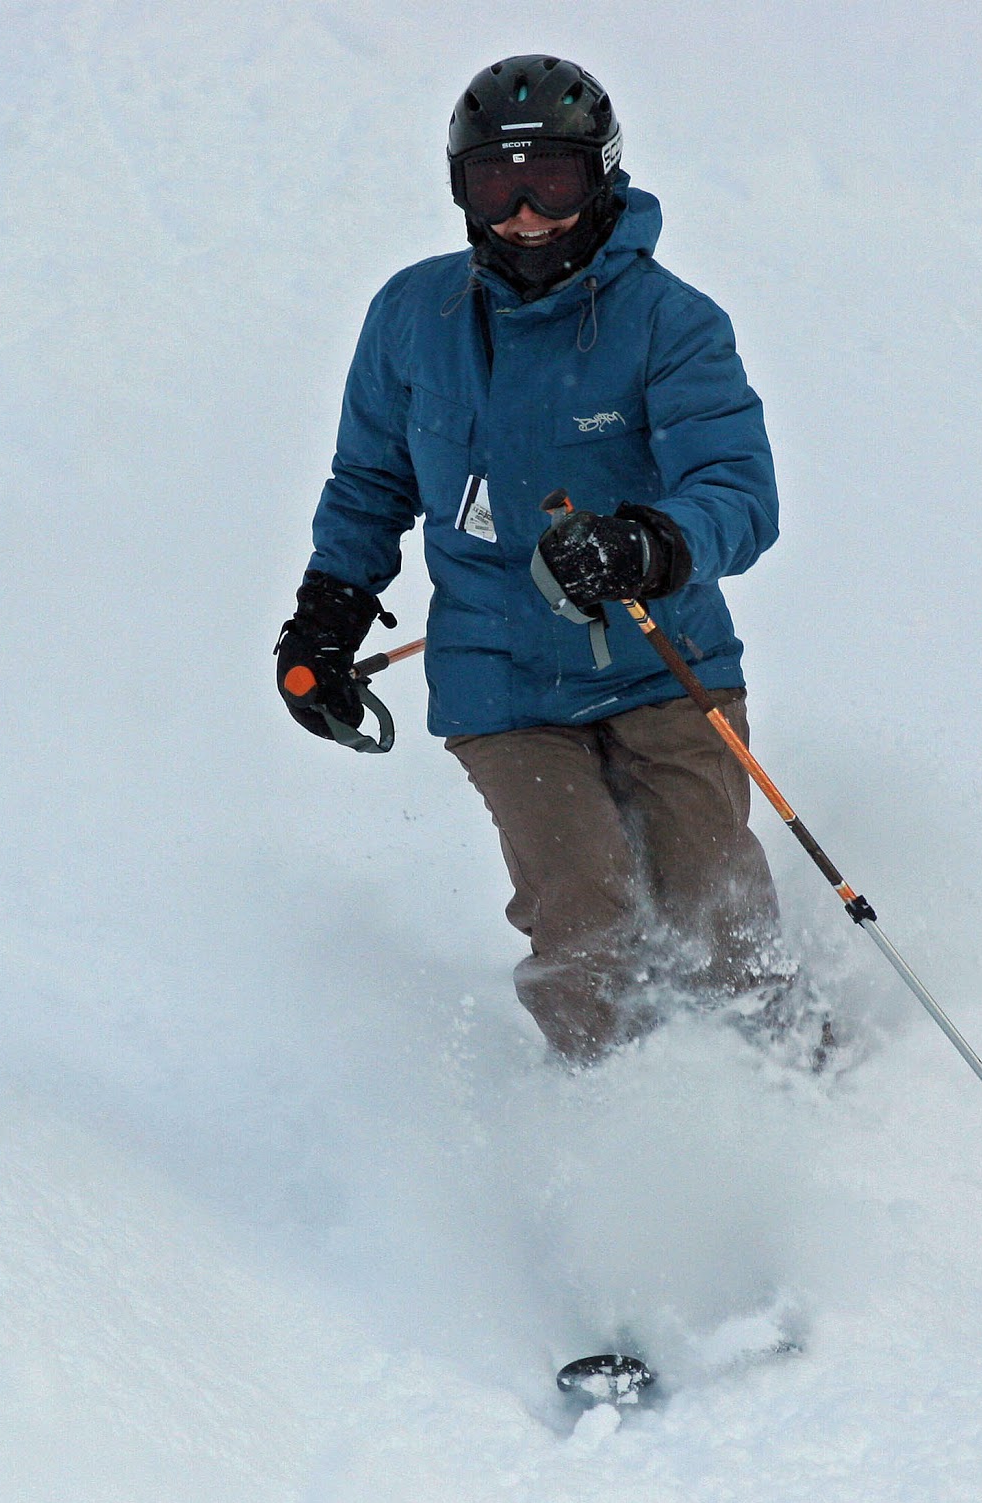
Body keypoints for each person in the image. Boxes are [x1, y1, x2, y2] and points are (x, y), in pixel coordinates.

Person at [277, 54, 802, 1065]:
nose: (522, 213)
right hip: (502, 683)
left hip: (664, 663)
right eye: (494, 184)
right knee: (582, 910)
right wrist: (327, 614)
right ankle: (605, 1123)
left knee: (711, 913)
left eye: (550, 182)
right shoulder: (412, 317)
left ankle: (792, 1089)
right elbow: (368, 483)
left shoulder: (670, 324)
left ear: (599, 177)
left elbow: (740, 487)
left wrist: (647, 542)